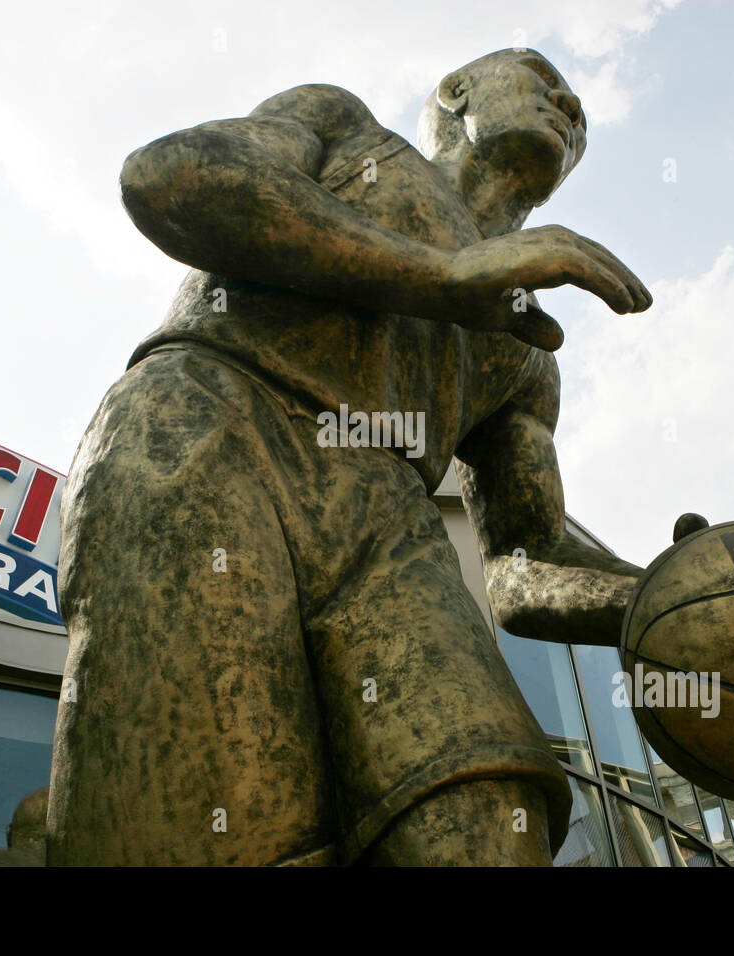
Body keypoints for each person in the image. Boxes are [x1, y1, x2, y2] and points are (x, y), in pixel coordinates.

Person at [47, 49, 657, 866]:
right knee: (216, 826)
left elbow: (520, 561)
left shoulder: (526, 349)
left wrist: (684, 589)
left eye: (578, 108)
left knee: (486, 816)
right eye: (542, 77)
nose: (569, 103)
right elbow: (170, 176)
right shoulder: (344, 126)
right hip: (211, 426)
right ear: (458, 93)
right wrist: (440, 273)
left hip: (385, 522)